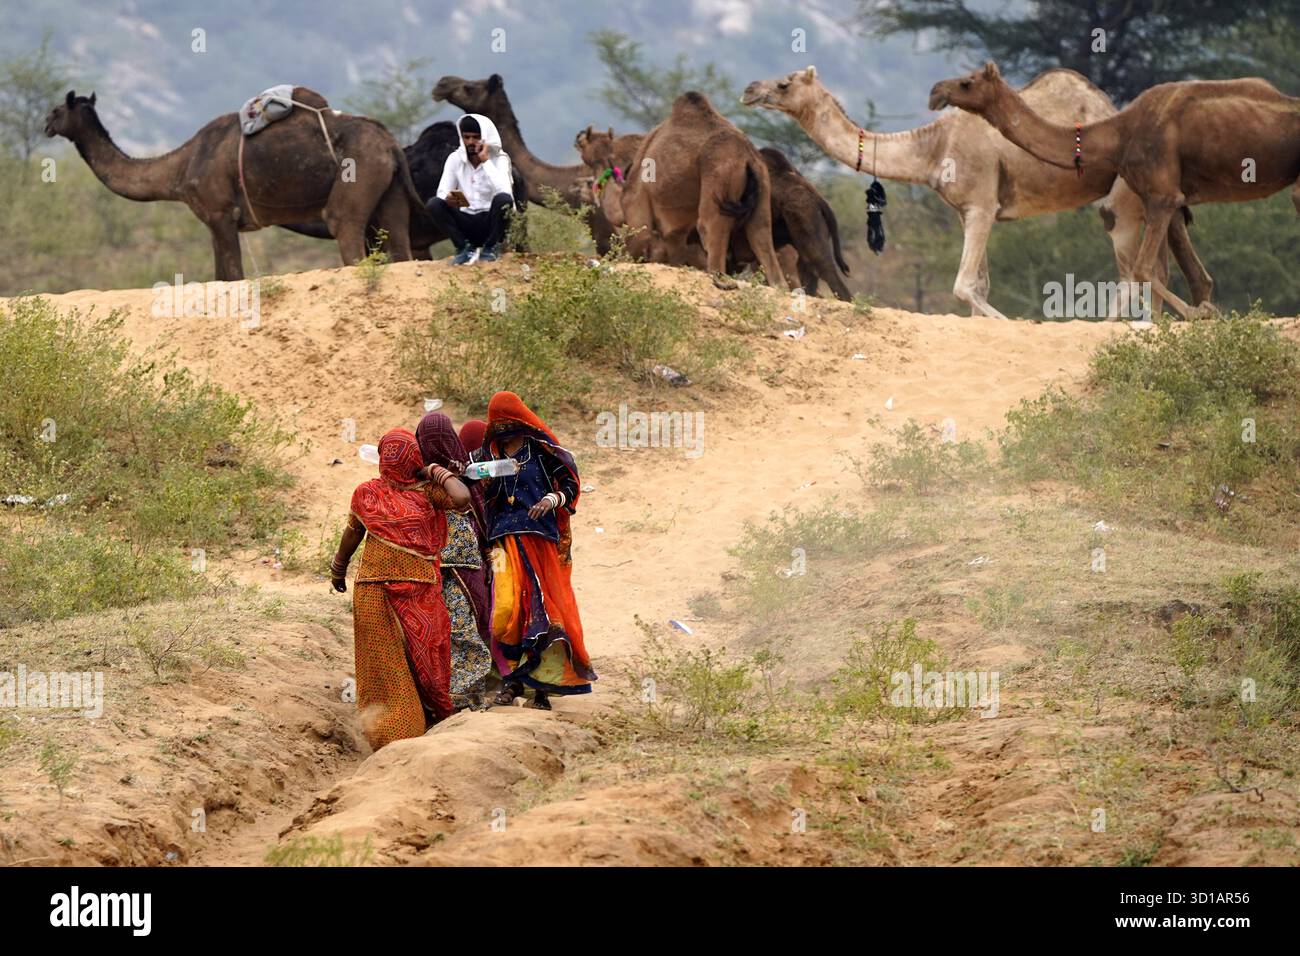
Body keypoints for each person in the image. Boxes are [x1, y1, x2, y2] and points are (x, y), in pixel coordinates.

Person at [330, 428, 472, 750]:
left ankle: (411, 722)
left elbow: (462, 499)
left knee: (410, 661)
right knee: (398, 662)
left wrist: (339, 569)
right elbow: (354, 531)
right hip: (388, 589)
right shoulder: (407, 492)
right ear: (415, 458)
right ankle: (400, 733)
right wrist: (435, 471)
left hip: (394, 589)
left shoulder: (414, 491)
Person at [478, 392, 595, 709]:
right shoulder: (487, 455)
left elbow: (570, 483)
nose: (504, 431)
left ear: (519, 421)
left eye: (508, 424)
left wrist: (551, 500)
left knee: (541, 609)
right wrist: (469, 472)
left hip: (538, 539)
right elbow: (471, 485)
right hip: (501, 544)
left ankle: (534, 688)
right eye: (498, 425)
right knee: (505, 611)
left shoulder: (541, 452)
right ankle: (512, 677)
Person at [415, 412, 495, 710]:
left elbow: (481, 515)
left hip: (453, 568)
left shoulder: (469, 476)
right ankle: (447, 695)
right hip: (440, 567)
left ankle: (459, 695)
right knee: (450, 628)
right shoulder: (417, 477)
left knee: (456, 628)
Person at [427, 114, 514, 265]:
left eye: (476, 137)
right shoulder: (455, 159)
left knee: (504, 200)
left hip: (491, 223)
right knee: (434, 204)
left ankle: (491, 248)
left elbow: (505, 191)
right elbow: (442, 192)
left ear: (485, 137)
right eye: (466, 137)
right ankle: (463, 248)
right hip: (466, 220)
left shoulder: (500, 159)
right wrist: (450, 199)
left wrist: (485, 161)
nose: (471, 142)